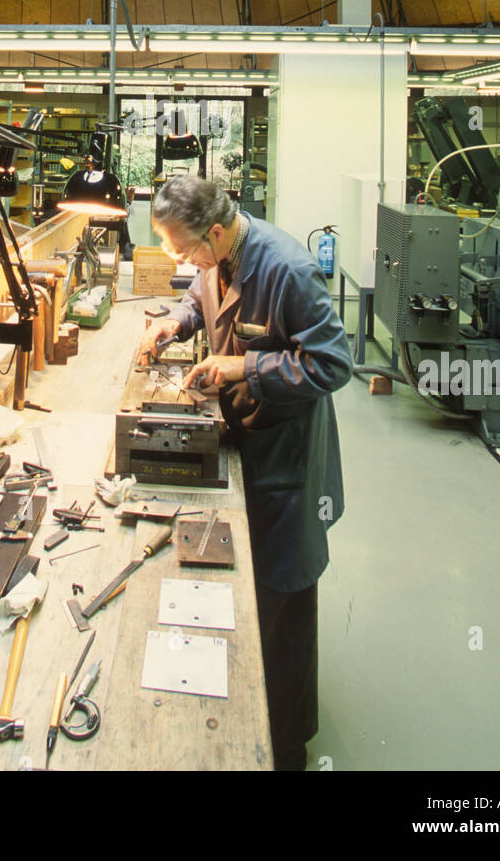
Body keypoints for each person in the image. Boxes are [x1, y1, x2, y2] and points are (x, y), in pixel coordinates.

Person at [139, 175, 353, 772]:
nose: (179, 261)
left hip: (286, 456)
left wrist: (242, 364)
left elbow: (335, 363)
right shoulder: (217, 257)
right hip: (245, 435)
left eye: (182, 251)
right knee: (250, 593)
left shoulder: (287, 267)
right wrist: (174, 325)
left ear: (214, 231)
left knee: (284, 599)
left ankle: (288, 745)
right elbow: (199, 295)